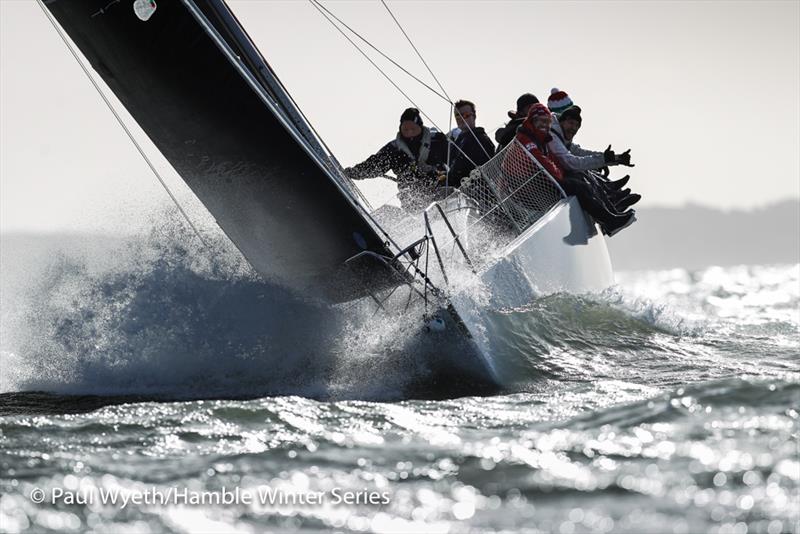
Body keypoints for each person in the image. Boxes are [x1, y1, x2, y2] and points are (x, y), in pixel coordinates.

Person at [510, 103, 635, 236]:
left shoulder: (542, 134)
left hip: (536, 182)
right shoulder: (533, 139)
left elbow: (574, 153)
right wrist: (562, 173)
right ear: (532, 120)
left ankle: (610, 210)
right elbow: (553, 162)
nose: (544, 125)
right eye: (540, 121)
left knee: (580, 176)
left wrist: (612, 158)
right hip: (526, 191)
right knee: (577, 183)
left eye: (547, 122)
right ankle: (609, 218)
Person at [345, 108, 448, 205]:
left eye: (413, 129)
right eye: (406, 129)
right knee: (411, 198)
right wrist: (353, 172)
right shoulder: (393, 149)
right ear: (400, 129)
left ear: (420, 127)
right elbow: (374, 165)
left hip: (443, 192)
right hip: (412, 199)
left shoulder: (438, 140)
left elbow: (456, 160)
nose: (410, 132)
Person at [549, 105, 641, 211]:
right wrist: (603, 160)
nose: (573, 128)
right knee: (581, 174)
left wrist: (615, 158)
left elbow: (580, 152)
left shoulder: (561, 133)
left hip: (557, 175)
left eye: (577, 126)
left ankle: (611, 195)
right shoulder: (553, 136)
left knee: (584, 171)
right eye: (571, 123)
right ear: (562, 121)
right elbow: (572, 163)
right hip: (550, 183)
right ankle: (610, 207)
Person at [447, 99, 496, 187]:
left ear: (474, 116)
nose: (461, 119)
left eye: (465, 115)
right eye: (457, 116)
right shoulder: (459, 140)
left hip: (476, 193)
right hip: (456, 192)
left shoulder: (481, 140)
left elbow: (487, 172)